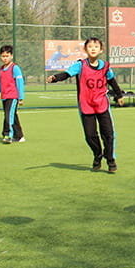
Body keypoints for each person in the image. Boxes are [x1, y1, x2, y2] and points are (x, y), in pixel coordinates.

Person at [47, 37, 125, 172]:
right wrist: (55, 78)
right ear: (85, 50)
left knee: (108, 133)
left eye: (96, 47)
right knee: (90, 135)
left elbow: (112, 81)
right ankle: (97, 154)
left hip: (102, 104)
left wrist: (118, 95)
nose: (93, 49)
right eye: (90, 47)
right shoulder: (80, 65)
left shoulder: (105, 66)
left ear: (101, 50)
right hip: (86, 105)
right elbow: (67, 74)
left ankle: (110, 159)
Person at [0, 45, 25, 144]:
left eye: (7, 56)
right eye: (3, 56)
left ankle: (8, 135)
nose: (5, 58)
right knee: (12, 116)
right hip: (4, 97)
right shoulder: (1, 69)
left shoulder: (15, 68)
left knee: (8, 116)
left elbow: (20, 83)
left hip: (13, 96)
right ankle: (19, 136)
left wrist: (21, 97)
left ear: (11, 56)